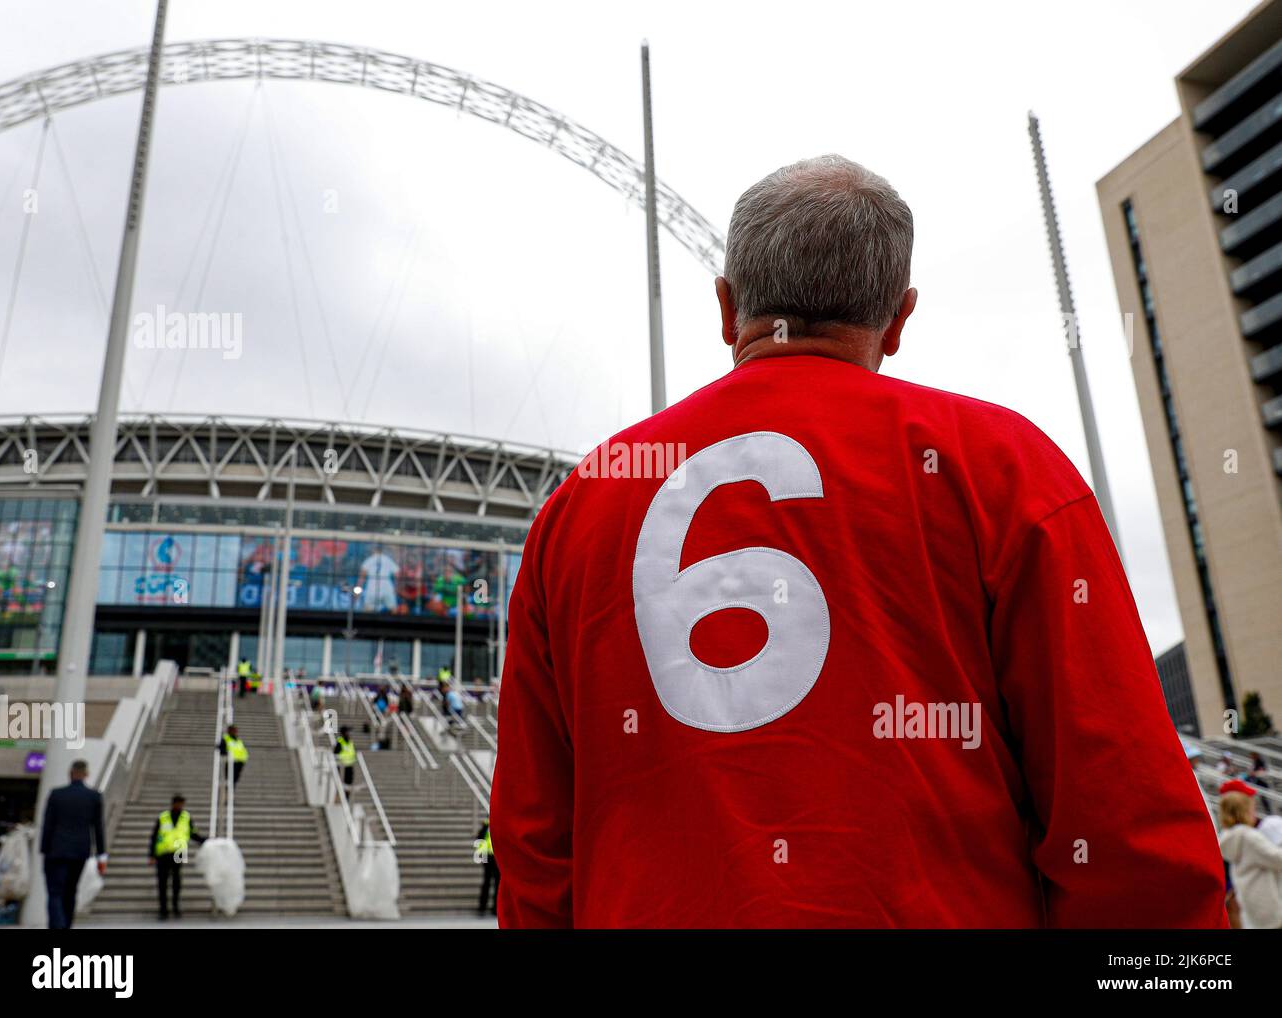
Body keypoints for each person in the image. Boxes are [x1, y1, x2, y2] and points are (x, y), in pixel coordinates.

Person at [490, 155, 1228, 929]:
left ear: (725, 306)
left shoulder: (581, 505)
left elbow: (535, 848)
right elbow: (1128, 825)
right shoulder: (1003, 468)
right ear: (901, 318)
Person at [39, 760, 107, 929]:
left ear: (70, 773)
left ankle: (58, 925)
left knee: (55, 892)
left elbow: (48, 825)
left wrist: (44, 849)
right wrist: (101, 855)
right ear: (86, 774)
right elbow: (98, 827)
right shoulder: (94, 796)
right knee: (71, 890)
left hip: (56, 851)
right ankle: (66, 924)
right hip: (80, 851)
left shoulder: (56, 794)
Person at [1219, 788, 1282, 928]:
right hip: (1269, 906)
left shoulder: (1229, 837)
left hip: (1251, 906)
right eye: (1252, 808)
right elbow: (1278, 859)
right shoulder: (1248, 837)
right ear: (1244, 811)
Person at [148, 794, 206, 920]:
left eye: (182, 804)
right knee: (162, 883)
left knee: (176, 882)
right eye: (178, 804)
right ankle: (163, 910)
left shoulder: (186, 817)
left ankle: (175, 907)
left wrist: (205, 841)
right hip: (163, 854)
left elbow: (193, 834)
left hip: (178, 853)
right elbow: (154, 836)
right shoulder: (163, 817)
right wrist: (151, 855)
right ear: (173, 804)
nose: (180, 806)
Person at [476, 819, 498, 916]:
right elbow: (480, 840)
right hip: (489, 857)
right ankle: (483, 907)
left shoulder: (493, 825)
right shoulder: (486, 826)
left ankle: (494, 908)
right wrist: (482, 857)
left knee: (496, 884)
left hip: (497, 858)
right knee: (487, 883)